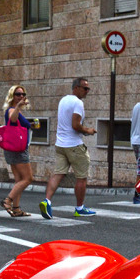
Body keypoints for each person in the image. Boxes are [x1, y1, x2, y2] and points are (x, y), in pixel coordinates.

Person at [40, 77, 97, 219]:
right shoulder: (78, 103)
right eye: (85, 88)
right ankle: (79, 208)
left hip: (60, 144)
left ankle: (47, 201)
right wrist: (87, 130)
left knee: (58, 173)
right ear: (76, 88)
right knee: (81, 177)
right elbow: (75, 125)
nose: (87, 91)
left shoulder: (63, 100)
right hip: (74, 145)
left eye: (88, 88)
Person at [0, 84, 35, 217]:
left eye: (23, 94)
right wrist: (19, 106)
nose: (21, 96)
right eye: (18, 94)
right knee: (28, 178)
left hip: (12, 148)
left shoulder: (16, 110)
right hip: (18, 149)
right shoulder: (11, 110)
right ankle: (7, 200)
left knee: (19, 179)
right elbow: (12, 119)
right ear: (12, 96)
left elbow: (16, 123)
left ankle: (16, 208)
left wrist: (29, 125)